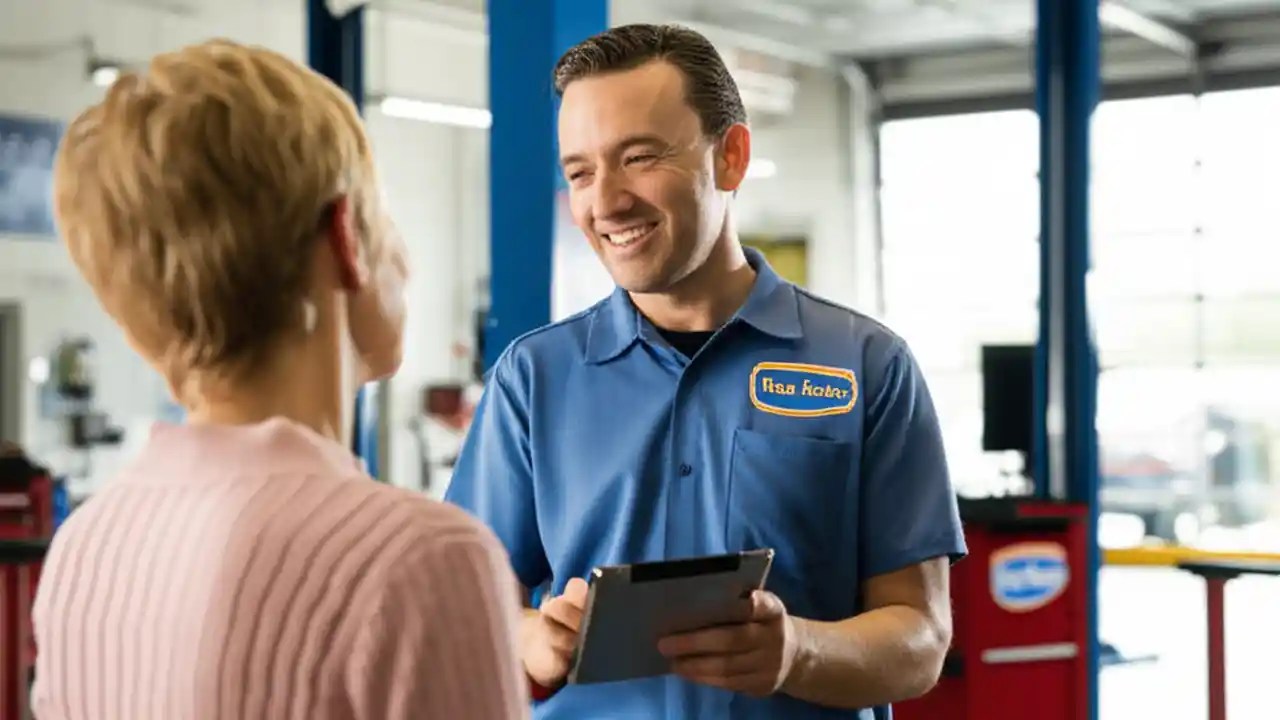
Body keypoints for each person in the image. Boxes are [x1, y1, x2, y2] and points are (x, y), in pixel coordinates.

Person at [444, 23, 967, 720]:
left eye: (639, 157)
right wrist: (528, 636)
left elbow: (920, 638)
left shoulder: (867, 366)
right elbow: (467, 605)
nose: (606, 200)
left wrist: (796, 653)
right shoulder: (533, 380)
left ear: (731, 157)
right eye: (580, 172)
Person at [32, 39, 527, 720]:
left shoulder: (86, 546)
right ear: (347, 239)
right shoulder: (423, 561)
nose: (405, 259)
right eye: (384, 216)